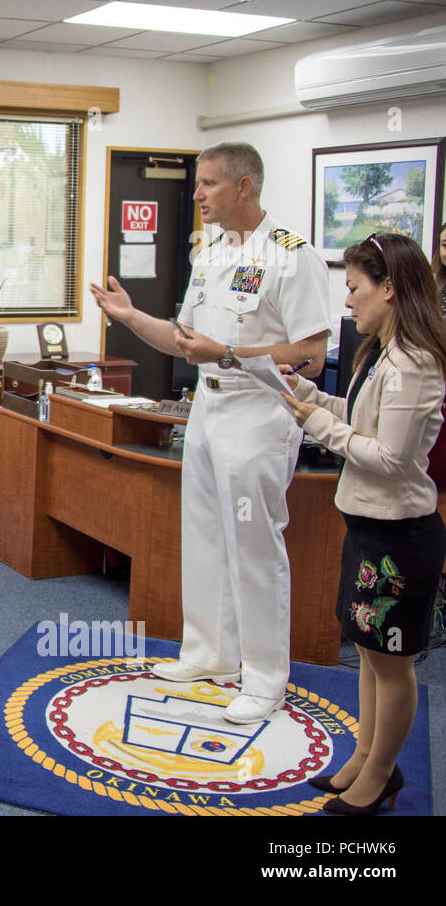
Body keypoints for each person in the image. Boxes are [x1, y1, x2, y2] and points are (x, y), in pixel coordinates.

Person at [90, 142, 330, 724]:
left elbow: (313, 354)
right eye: (198, 184)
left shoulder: (292, 257)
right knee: (202, 534)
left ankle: (266, 677)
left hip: (259, 412)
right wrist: (129, 317)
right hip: (207, 410)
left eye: (210, 185)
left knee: (254, 547)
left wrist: (227, 353)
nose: (197, 195)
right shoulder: (213, 252)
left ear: (244, 186)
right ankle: (209, 652)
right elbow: (184, 339)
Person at [281, 233, 446, 815]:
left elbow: (392, 458)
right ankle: (364, 756)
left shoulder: (416, 363)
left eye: (354, 288)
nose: (347, 301)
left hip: (402, 538)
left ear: (391, 288)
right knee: (370, 655)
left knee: (392, 665)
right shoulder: (378, 353)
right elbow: (359, 419)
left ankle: (380, 774)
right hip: (368, 528)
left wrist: (315, 426)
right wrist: (305, 393)